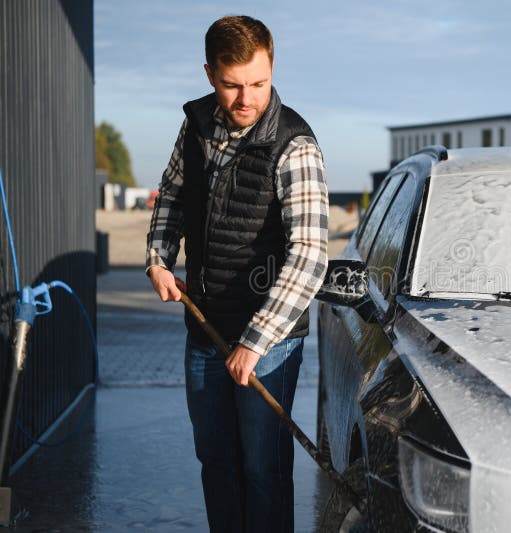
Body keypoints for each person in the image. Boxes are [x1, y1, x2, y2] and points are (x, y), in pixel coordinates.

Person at [145, 15, 328, 532]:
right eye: (232, 85)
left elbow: (310, 255)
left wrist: (256, 341)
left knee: (263, 471)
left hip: (269, 343)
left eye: (259, 83)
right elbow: (173, 194)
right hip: (205, 328)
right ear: (209, 75)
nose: (247, 99)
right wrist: (158, 257)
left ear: (272, 69)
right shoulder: (197, 124)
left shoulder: (296, 144)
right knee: (217, 462)